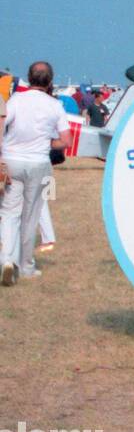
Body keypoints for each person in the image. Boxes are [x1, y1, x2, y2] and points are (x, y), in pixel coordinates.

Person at [1, 61, 71, 285]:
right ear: (50, 81)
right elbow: (66, 141)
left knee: (9, 214)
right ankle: (27, 266)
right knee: (31, 216)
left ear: (29, 78)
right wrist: (48, 141)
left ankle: (6, 261)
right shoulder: (55, 105)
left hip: (12, 160)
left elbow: (3, 126)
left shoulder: (16, 100)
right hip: (39, 163)